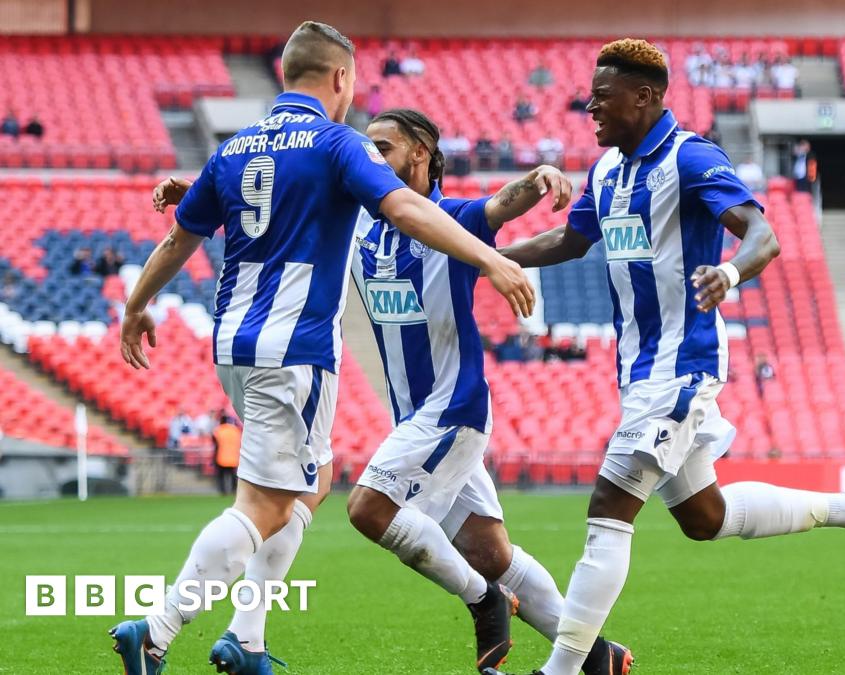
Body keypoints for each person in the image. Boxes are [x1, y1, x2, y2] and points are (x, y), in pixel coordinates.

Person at [111, 21, 534, 675]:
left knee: (312, 483)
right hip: (294, 350)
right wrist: (491, 260)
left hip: (234, 344)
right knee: (262, 504)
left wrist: (137, 305)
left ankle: (246, 639)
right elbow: (405, 209)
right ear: (341, 79)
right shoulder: (336, 144)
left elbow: (176, 240)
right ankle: (159, 630)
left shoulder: (236, 148)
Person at [486, 40, 845, 675]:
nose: (589, 106)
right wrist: (487, 256)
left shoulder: (691, 158)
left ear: (647, 96)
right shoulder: (607, 171)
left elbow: (763, 236)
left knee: (608, 508)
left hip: (680, 370)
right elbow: (569, 240)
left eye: (603, 96)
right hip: (638, 374)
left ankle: (563, 670)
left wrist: (731, 275)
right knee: (703, 517)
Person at [344, 108, 631, 674]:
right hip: (416, 420)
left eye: (384, 147)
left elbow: (497, 209)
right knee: (492, 553)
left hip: (452, 410)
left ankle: (483, 601)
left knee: (368, 509)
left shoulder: (450, 222)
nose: (370, 157)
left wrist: (536, 178)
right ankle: (598, 656)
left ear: (420, 153)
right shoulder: (361, 226)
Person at [212, 415, 241, 496]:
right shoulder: (236, 430)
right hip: (234, 457)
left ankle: (223, 491)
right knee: (233, 476)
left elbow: (215, 443)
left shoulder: (218, 430)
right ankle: (233, 490)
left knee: (221, 476)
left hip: (221, 457)